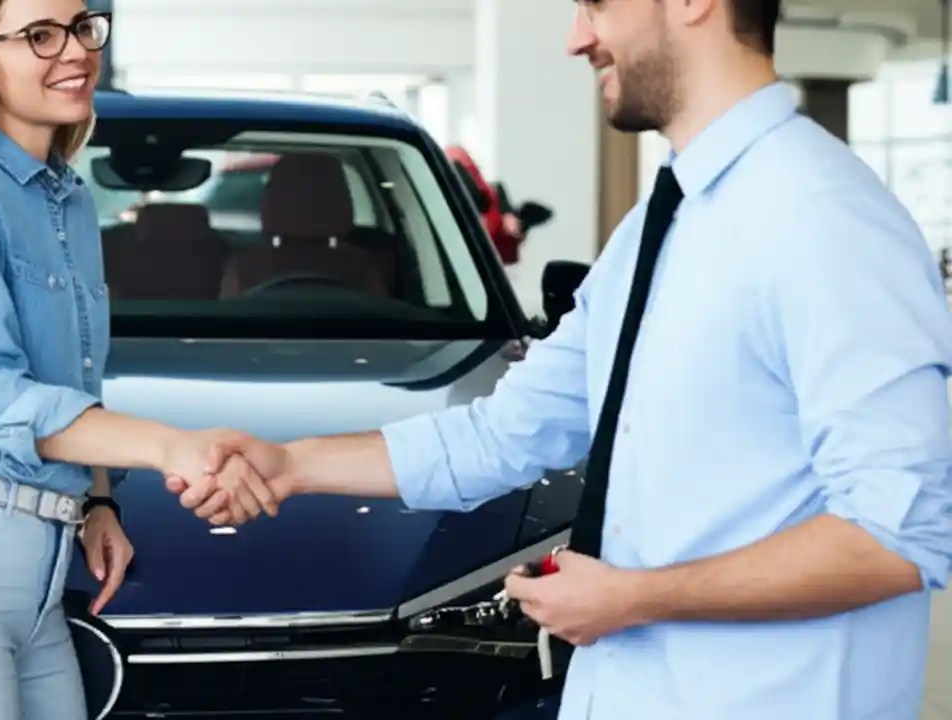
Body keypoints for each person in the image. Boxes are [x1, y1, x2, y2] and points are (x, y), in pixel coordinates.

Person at [171, 0, 952, 718]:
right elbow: (506, 433)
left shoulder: (824, 217)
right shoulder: (662, 221)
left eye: (597, 4)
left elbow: (900, 530)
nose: (577, 37)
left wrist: (638, 598)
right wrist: (291, 464)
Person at [0, 1, 272, 718]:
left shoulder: (65, 197)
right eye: (40, 35)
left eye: (81, 26)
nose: (74, 50)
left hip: (42, 573)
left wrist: (98, 497)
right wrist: (172, 446)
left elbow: (69, 380)